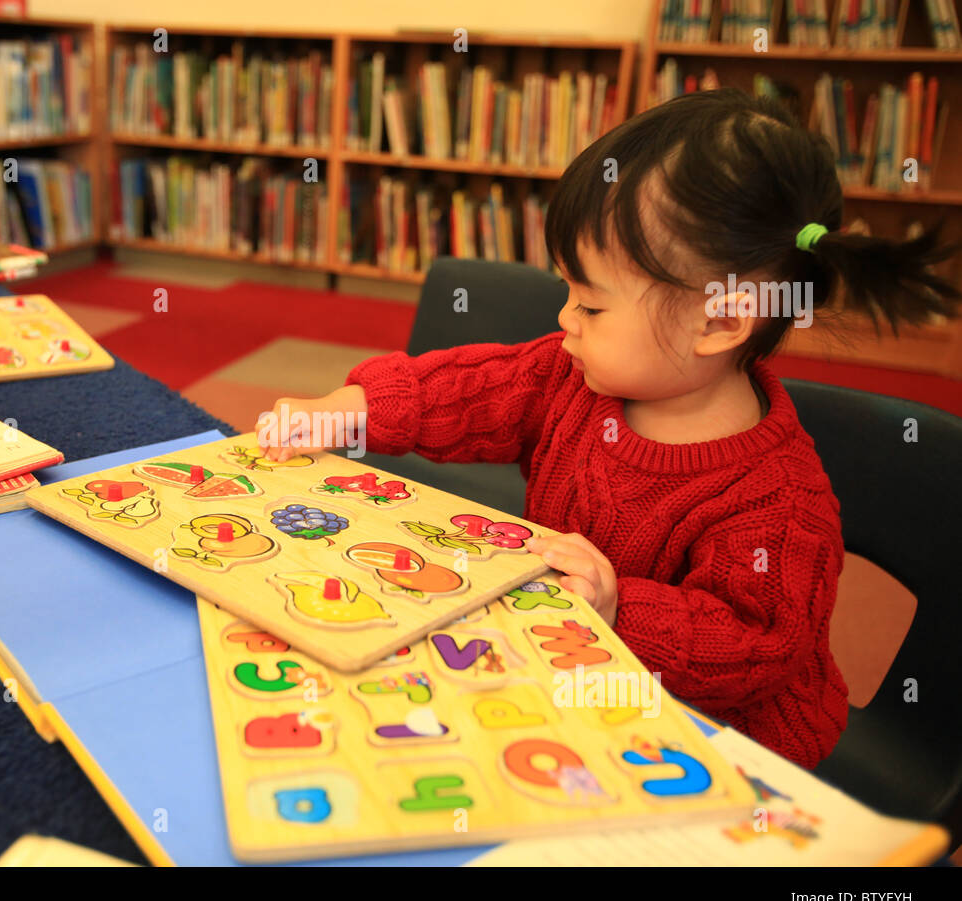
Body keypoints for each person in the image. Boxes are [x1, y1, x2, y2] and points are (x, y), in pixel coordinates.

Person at [254, 89, 959, 768]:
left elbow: (756, 646)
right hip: (576, 677)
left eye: (590, 305)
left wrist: (619, 605)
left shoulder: (779, 503)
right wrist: (348, 410)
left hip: (725, 748)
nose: (564, 320)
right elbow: (468, 391)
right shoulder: (577, 376)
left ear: (719, 320)